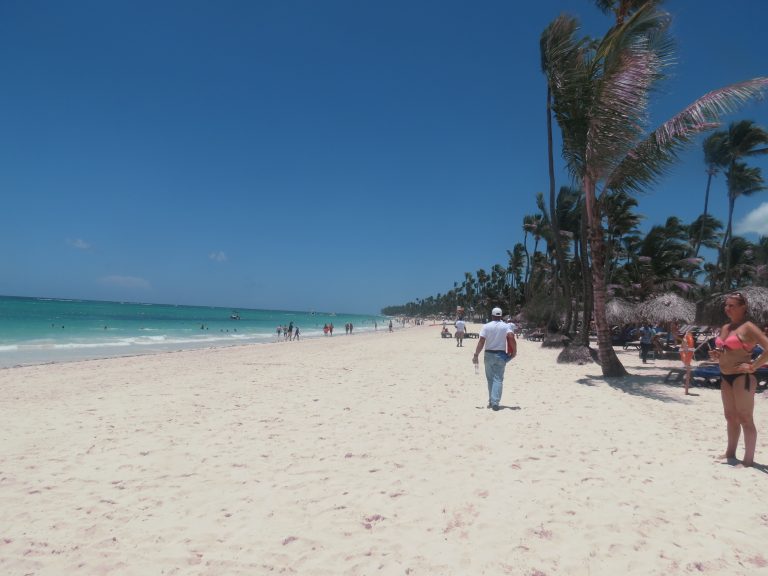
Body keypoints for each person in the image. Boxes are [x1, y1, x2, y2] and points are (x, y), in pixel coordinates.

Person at [708, 292, 768, 467]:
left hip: (743, 377)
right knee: (730, 417)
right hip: (725, 375)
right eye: (726, 305)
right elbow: (726, 350)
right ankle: (730, 452)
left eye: (732, 305)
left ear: (743, 307)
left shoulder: (749, 327)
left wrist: (753, 366)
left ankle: (748, 460)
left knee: (745, 418)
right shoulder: (726, 327)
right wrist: (716, 355)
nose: (727, 309)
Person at [472, 307, 517, 411]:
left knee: (490, 378)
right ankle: (495, 402)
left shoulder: (486, 326)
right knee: (498, 378)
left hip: (488, 354)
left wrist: (476, 354)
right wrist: (514, 351)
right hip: (501, 355)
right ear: (500, 316)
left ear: (492, 315)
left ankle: (492, 401)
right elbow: (511, 337)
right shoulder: (506, 326)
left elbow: (481, 341)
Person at [679, 330, 695, 395]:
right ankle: (686, 386)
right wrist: (689, 350)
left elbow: (688, 347)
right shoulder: (685, 339)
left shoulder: (688, 339)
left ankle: (687, 385)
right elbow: (685, 348)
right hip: (685, 354)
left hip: (687, 354)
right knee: (687, 369)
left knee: (688, 369)